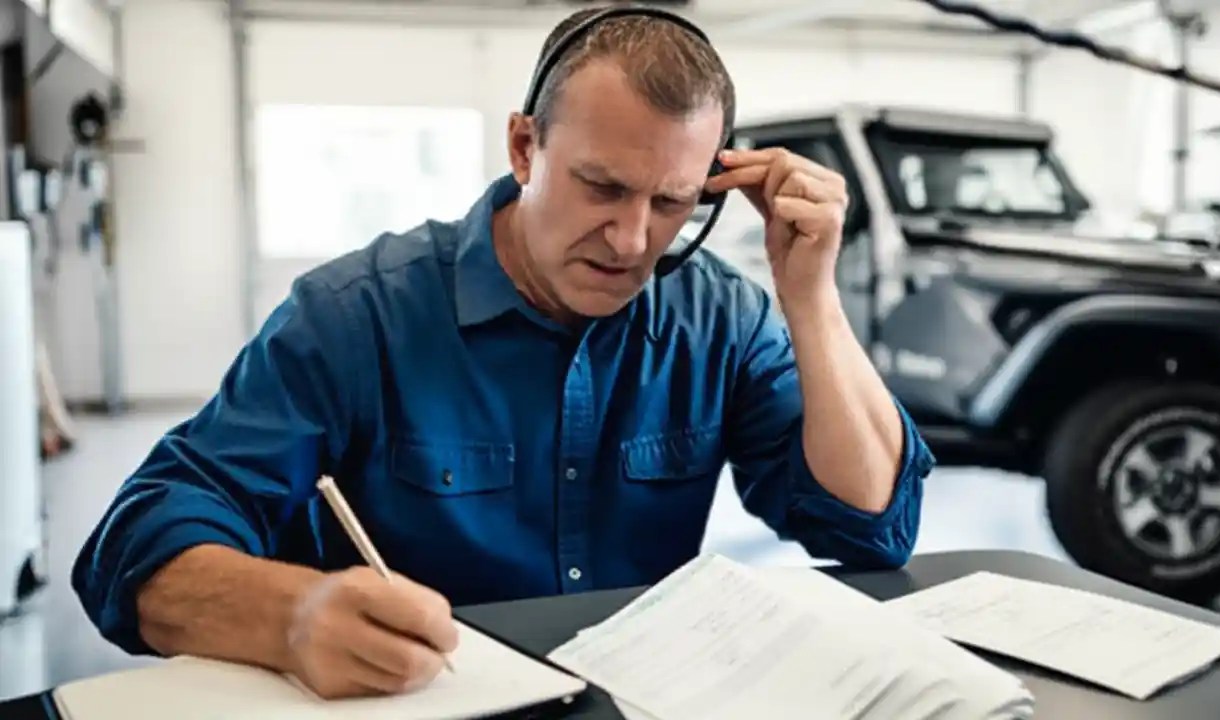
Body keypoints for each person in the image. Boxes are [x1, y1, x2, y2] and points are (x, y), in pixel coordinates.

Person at [73, 7, 935, 702]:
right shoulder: (357, 316)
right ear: (525, 147)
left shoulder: (720, 316)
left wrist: (811, 299)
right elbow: (134, 545)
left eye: (672, 202)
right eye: (602, 186)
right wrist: (293, 618)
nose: (633, 240)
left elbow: (869, 528)